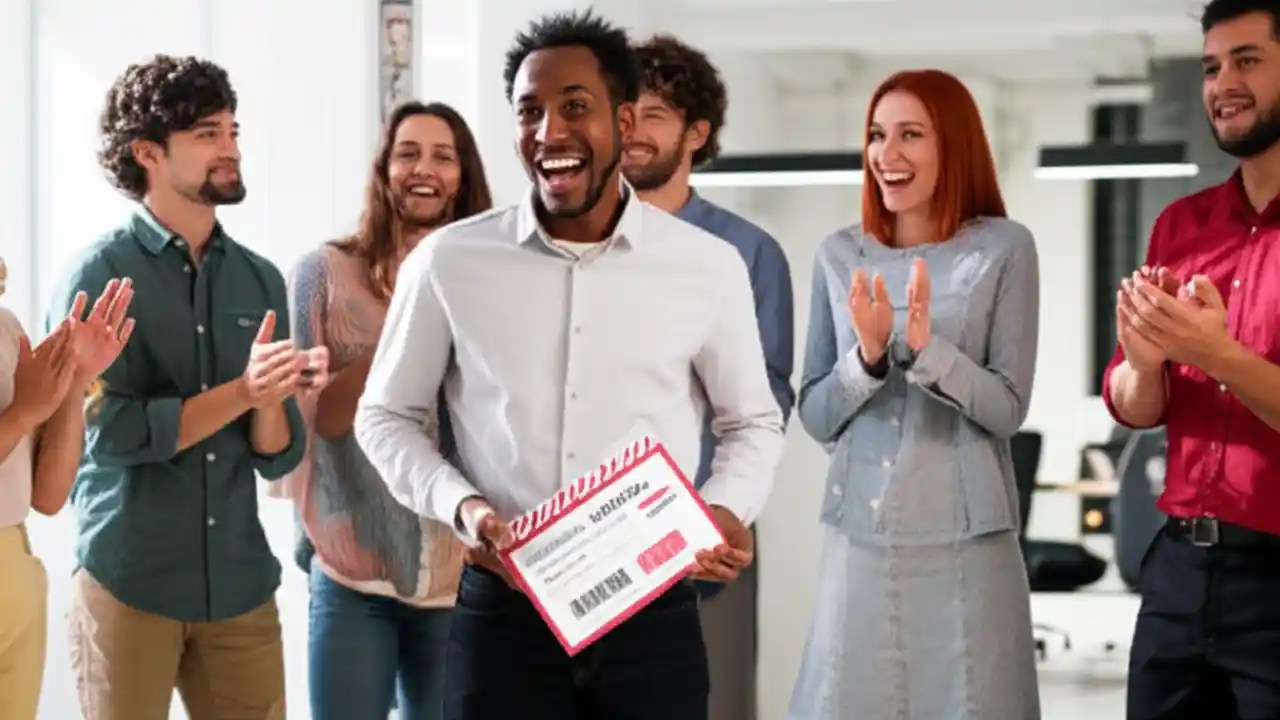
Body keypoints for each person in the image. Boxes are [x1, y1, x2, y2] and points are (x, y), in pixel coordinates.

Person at [354, 9, 785, 719]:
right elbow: (386, 416)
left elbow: (751, 421)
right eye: (530, 111)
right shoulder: (450, 261)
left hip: (653, 614)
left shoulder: (707, 267)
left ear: (623, 122)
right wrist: (464, 509)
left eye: (575, 107)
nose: (549, 131)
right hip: (503, 614)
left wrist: (724, 508)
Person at [47, 54, 327, 720]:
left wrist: (266, 397)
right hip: (128, 580)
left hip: (239, 588)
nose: (231, 148)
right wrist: (241, 391)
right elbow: (103, 434)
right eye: (208, 134)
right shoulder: (99, 273)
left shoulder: (260, 280)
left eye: (233, 130)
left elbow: (277, 456)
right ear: (148, 151)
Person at [786, 68, 1041, 720]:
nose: (886, 154)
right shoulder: (837, 255)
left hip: (967, 546)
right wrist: (867, 360)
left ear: (951, 144)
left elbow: (1008, 408)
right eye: (876, 135)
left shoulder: (1006, 248)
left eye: (910, 134)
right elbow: (815, 412)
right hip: (860, 538)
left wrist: (931, 353)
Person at [281, 100, 493, 720]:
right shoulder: (323, 274)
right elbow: (318, 423)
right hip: (352, 572)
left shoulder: (494, 280)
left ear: (463, 175)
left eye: (442, 156)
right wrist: (408, 317)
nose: (423, 169)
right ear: (384, 168)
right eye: (408, 153)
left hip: (462, 574)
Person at [1104, 1, 1280, 716]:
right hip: (1178, 567)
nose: (1222, 82)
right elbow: (1138, 402)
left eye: (1246, 60)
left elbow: (1220, 364)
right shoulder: (1181, 225)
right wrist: (1145, 364)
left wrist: (1217, 353)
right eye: (1211, 66)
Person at [622, 34, 794, 720]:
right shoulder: (579, 241)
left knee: (713, 704)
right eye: (624, 111)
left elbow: (763, 406)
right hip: (589, 531)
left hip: (704, 532)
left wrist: (715, 514)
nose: (633, 131)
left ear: (697, 132)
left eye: (655, 115)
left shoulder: (746, 253)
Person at [0, 259, 133, 720]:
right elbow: (20, 417)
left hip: (14, 566)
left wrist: (74, 381)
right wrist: (22, 412)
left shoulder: (6, 327)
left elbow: (48, 495)